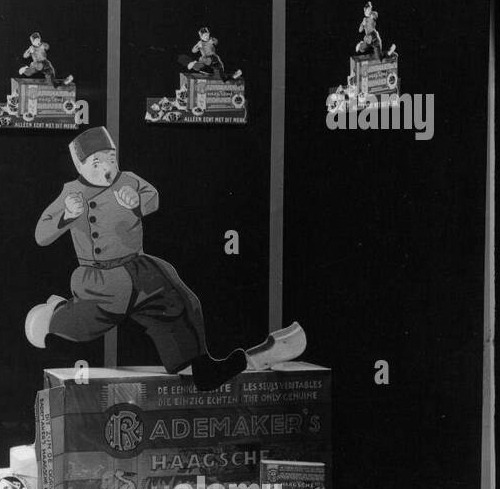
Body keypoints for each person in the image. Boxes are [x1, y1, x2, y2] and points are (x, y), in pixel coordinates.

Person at [24, 128, 304, 391]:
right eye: (96, 162)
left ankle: (198, 366)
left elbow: (152, 197)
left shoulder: (129, 180)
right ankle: (53, 317)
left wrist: (135, 202)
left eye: (111, 159)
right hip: (101, 281)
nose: (107, 168)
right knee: (85, 326)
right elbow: (41, 234)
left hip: (139, 268)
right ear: (80, 165)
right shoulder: (70, 192)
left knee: (180, 302)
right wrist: (67, 216)